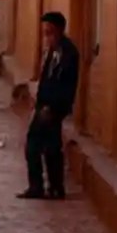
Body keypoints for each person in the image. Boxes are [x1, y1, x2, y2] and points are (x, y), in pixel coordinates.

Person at [18, 13, 81, 200]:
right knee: (49, 146)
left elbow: (65, 85)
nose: (46, 36)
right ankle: (52, 186)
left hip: (53, 108)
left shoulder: (68, 53)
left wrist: (51, 107)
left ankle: (43, 186)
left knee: (37, 145)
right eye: (45, 33)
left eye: (49, 32)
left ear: (59, 30)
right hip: (44, 105)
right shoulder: (52, 51)